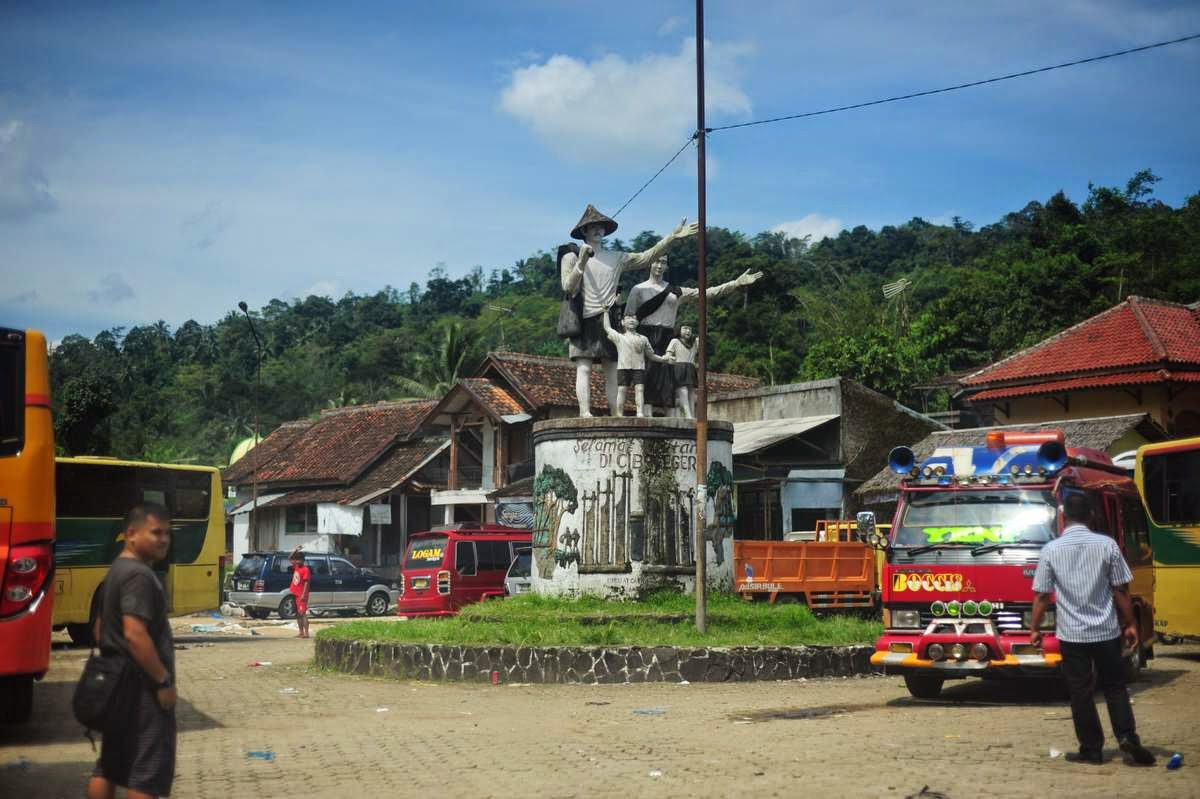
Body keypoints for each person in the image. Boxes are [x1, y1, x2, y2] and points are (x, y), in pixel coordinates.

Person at [1030, 492, 1155, 766]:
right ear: (1091, 516)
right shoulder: (1107, 545)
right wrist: (1131, 624)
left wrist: (1035, 629)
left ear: (1063, 518)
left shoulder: (1051, 550)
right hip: (1106, 633)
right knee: (1115, 687)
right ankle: (1127, 738)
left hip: (1072, 636)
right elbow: (1120, 588)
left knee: (1081, 692)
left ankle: (1091, 749)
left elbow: (1041, 596)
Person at [558, 204, 698, 417]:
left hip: (609, 318)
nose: (597, 230)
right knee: (583, 368)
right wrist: (582, 262)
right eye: (592, 227)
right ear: (584, 231)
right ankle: (585, 412)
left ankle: (617, 414)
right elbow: (568, 286)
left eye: (601, 227)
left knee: (613, 371)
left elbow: (646, 257)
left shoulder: (617, 257)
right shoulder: (572, 255)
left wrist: (672, 237)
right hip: (583, 319)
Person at [86, 504, 177, 799]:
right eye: (156, 533)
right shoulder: (139, 576)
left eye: (167, 533)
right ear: (131, 534)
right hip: (142, 691)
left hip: (117, 684)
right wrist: (161, 681)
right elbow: (135, 633)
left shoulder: (116, 570)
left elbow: (100, 629)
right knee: (145, 774)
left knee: (110, 766)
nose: (163, 539)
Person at [624, 256, 762, 413]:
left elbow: (706, 293)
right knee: (646, 377)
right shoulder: (638, 289)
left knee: (669, 377)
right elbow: (629, 316)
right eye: (656, 261)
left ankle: (671, 418)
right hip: (645, 334)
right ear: (649, 263)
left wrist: (736, 283)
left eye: (663, 262)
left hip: (668, 335)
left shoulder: (676, 291)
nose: (659, 265)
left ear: (667, 266)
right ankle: (646, 416)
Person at [600, 312, 670, 417]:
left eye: (634, 318)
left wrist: (663, 359)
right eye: (628, 318)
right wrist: (606, 312)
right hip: (623, 367)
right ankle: (619, 413)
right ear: (623, 322)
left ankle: (640, 412)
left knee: (640, 389)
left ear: (637, 322)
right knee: (622, 389)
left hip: (639, 367)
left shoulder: (643, 339)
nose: (632, 320)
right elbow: (607, 327)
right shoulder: (619, 337)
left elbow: (651, 355)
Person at [664, 326, 698, 419]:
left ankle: (692, 413)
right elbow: (668, 354)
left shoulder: (695, 342)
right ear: (679, 330)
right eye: (685, 328)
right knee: (683, 391)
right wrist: (669, 358)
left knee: (691, 392)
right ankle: (688, 414)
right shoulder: (675, 341)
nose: (688, 331)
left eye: (690, 329)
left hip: (691, 366)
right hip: (679, 367)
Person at [289, 549, 312, 638]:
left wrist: (303, 594)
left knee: (303, 614)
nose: (297, 561)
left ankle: (306, 633)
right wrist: (295, 550)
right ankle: (301, 632)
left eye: (299, 560)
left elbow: (306, 582)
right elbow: (290, 558)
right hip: (295, 593)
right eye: (296, 560)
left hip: (301, 594)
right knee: (298, 614)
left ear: (303, 560)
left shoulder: (305, 569)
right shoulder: (296, 567)